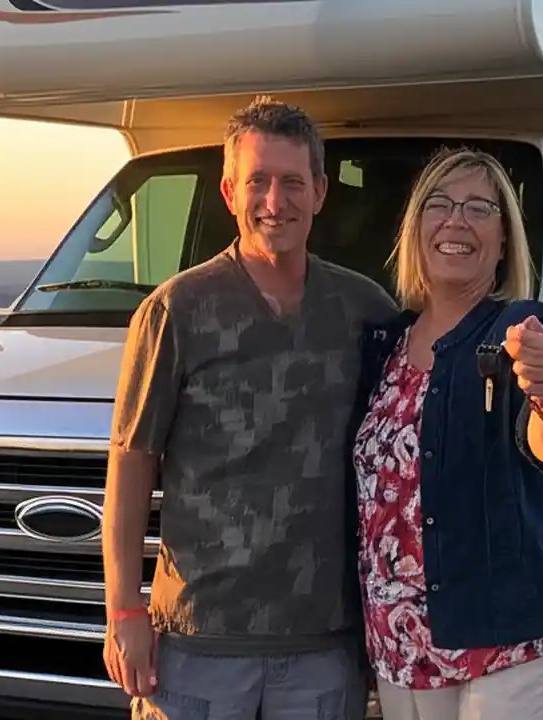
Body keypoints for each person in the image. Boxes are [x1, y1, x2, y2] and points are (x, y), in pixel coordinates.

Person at [101, 97, 398, 719]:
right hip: (198, 641)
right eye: (257, 181)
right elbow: (131, 464)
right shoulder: (176, 311)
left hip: (323, 643)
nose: (274, 201)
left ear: (320, 192)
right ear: (229, 191)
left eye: (293, 182)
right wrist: (124, 610)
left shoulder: (365, 311)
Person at [349, 147, 543, 719]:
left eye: (478, 209)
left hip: (507, 643)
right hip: (402, 646)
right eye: (439, 205)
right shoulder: (384, 344)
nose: (456, 221)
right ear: (416, 227)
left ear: (504, 240)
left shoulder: (522, 327)